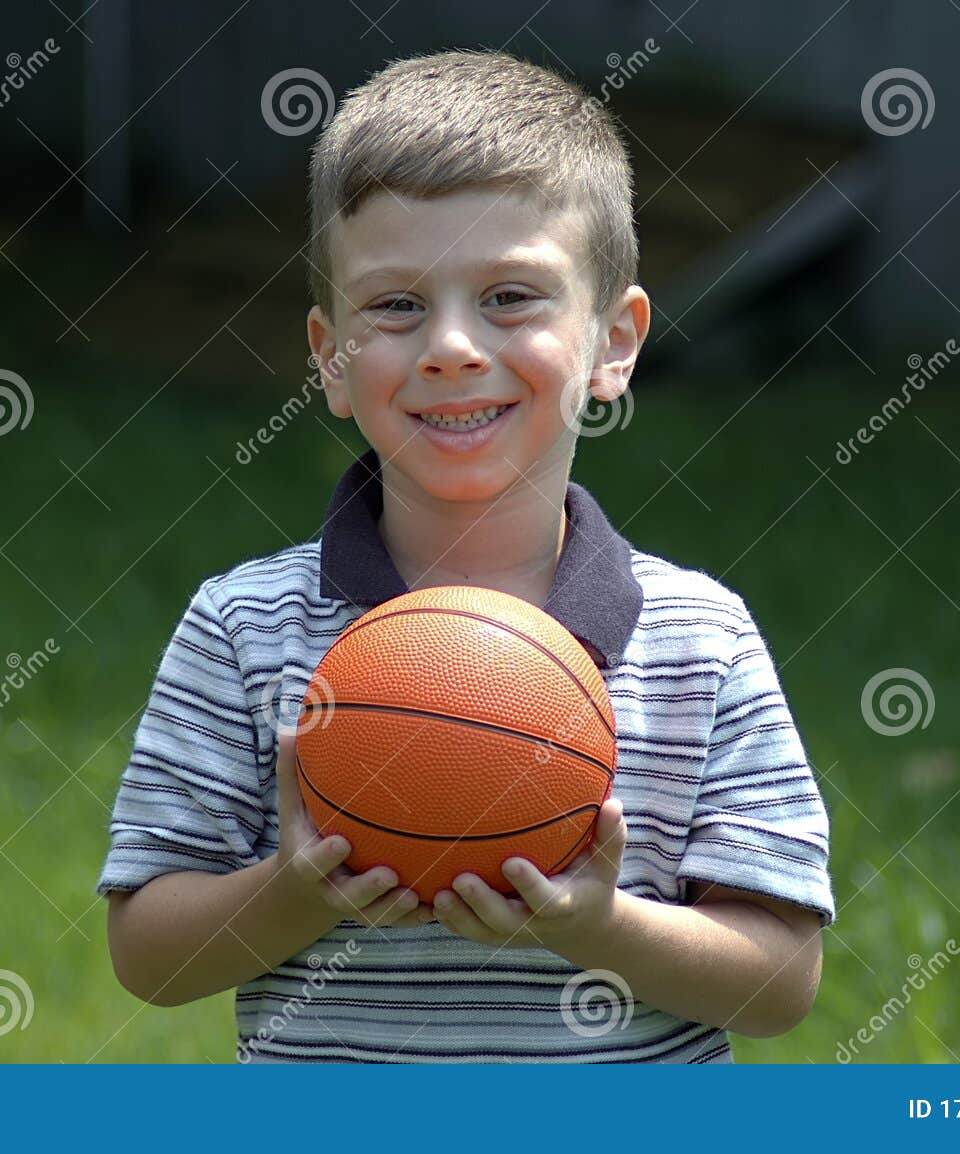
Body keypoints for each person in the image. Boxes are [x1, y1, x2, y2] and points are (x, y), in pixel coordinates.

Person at [96, 47, 836, 1062]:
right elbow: (148, 952)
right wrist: (289, 894)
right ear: (330, 358)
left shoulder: (699, 641)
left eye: (510, 297)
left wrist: (598, 924)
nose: (450, 344)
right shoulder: (245, 628)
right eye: (395, 304)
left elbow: (780, 978)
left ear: (613, 343)